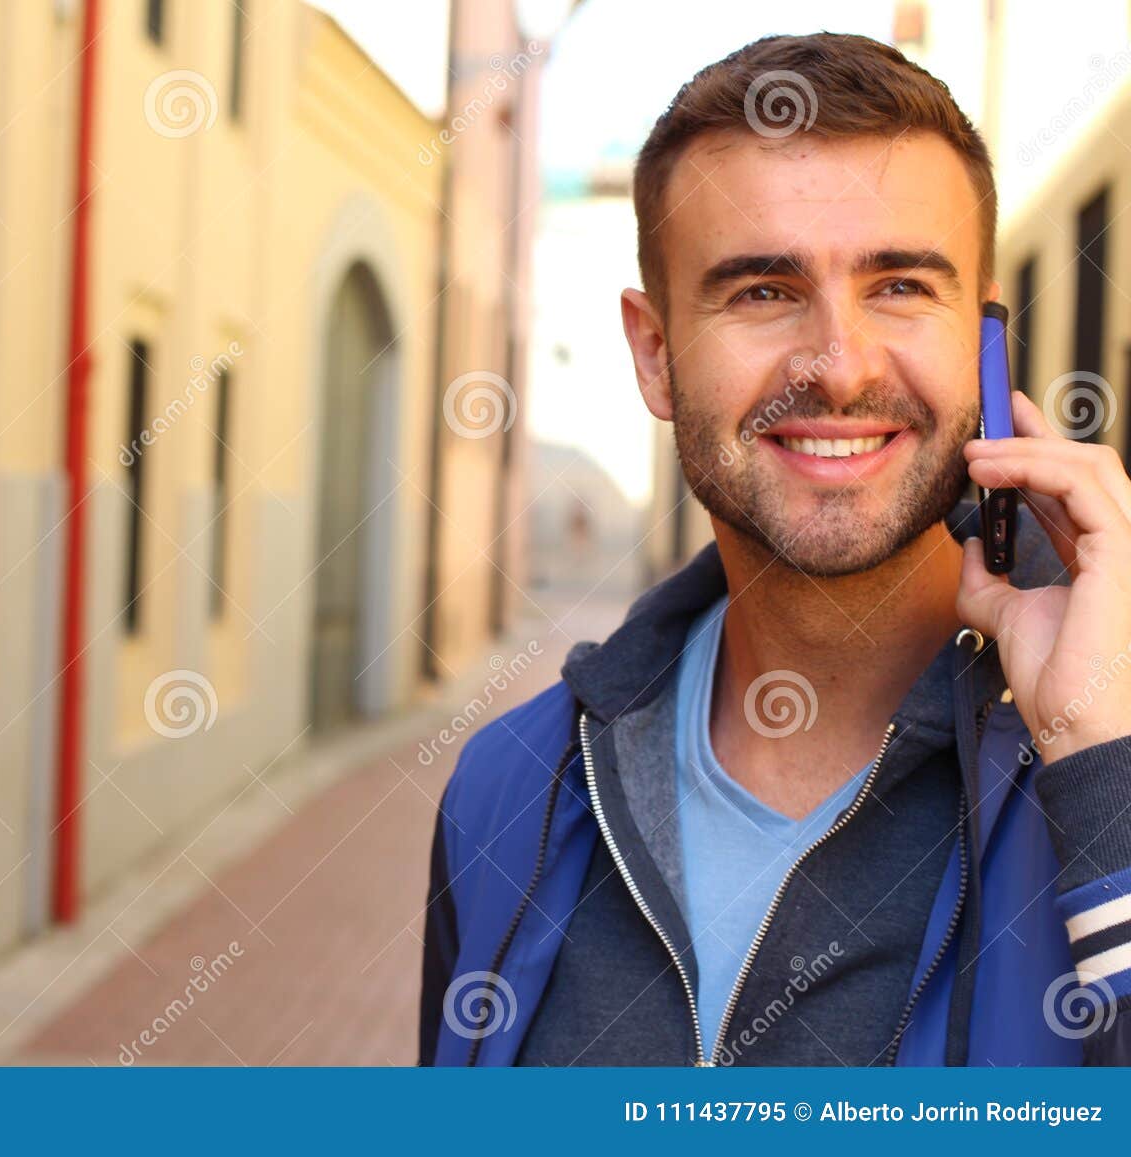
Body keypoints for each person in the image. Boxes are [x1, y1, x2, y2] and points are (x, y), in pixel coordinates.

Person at [420, 32, 1131, 1066]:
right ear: (655, 353)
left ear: (987, 349)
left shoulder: (1106, 744)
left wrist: (1104, 770)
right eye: (761, 290)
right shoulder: (507, 791)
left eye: (900, 287)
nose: (836, 367)